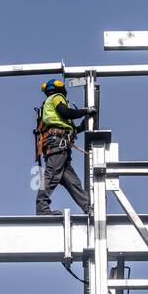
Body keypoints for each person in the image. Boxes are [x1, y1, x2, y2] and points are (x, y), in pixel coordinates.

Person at [34, 78, 97, 215]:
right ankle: (42, 207)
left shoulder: (51, 109)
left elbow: (69, 127)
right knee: (51, 175)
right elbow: (66, 112)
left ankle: (90, 208)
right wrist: (84, 111)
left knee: (73, 182)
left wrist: (83, 125)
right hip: (57, 143)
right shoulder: (56, 97)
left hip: (61, 145)